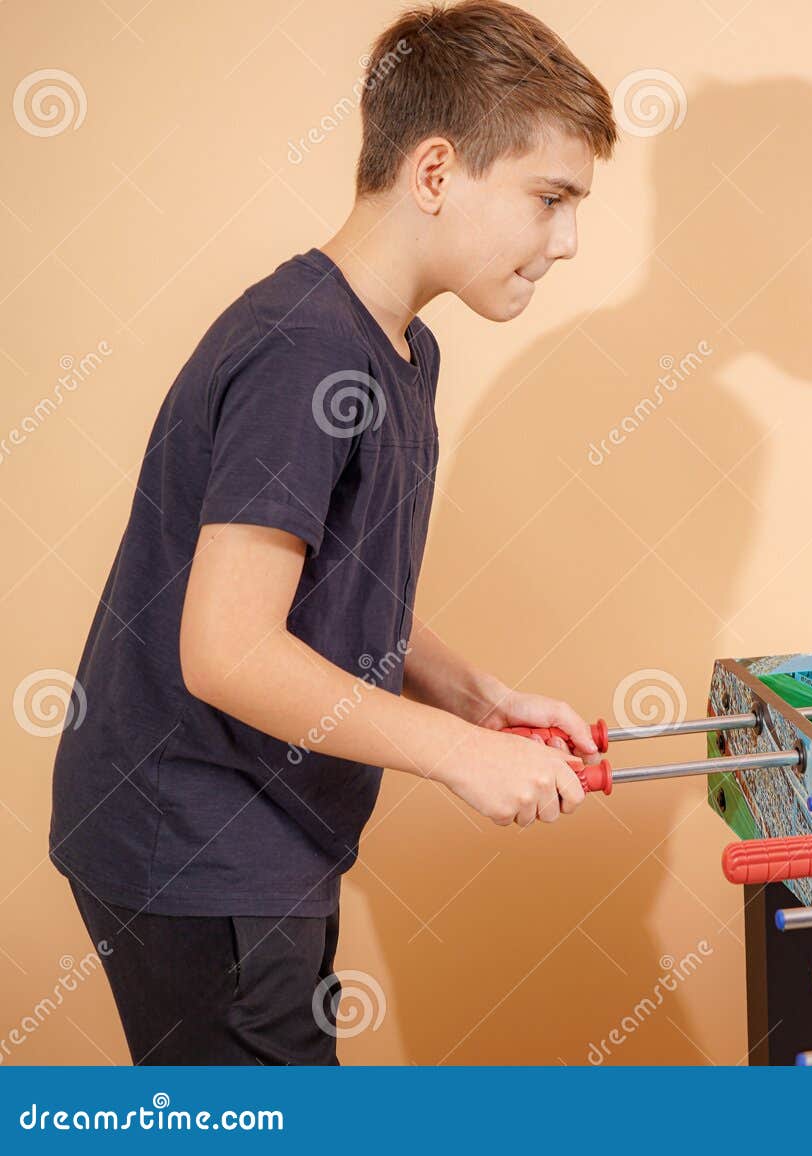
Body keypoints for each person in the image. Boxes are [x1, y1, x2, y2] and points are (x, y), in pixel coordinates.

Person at [49, 1, 616, 1065]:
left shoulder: (403, 350)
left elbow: (333, 589)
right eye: (549, 198)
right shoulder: (303, 350)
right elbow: (228, 650)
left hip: (262, 827)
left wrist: (478, 700)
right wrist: (456, 757)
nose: (569, 241)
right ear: (437, 172)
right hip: (192, 836)